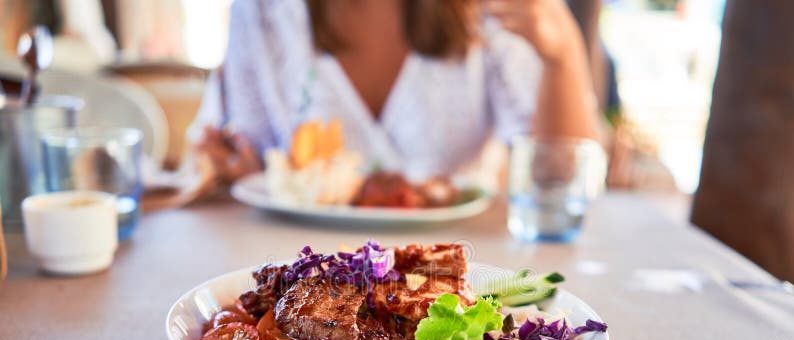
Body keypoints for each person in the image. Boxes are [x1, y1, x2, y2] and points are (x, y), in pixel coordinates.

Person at [191, 0, 598, 183]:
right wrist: (235, 170)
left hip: (462, 274)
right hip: (298, 270)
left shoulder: (490, 10)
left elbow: (559, 177)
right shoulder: (261, 11)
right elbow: (254, 164)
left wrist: (561, 54)